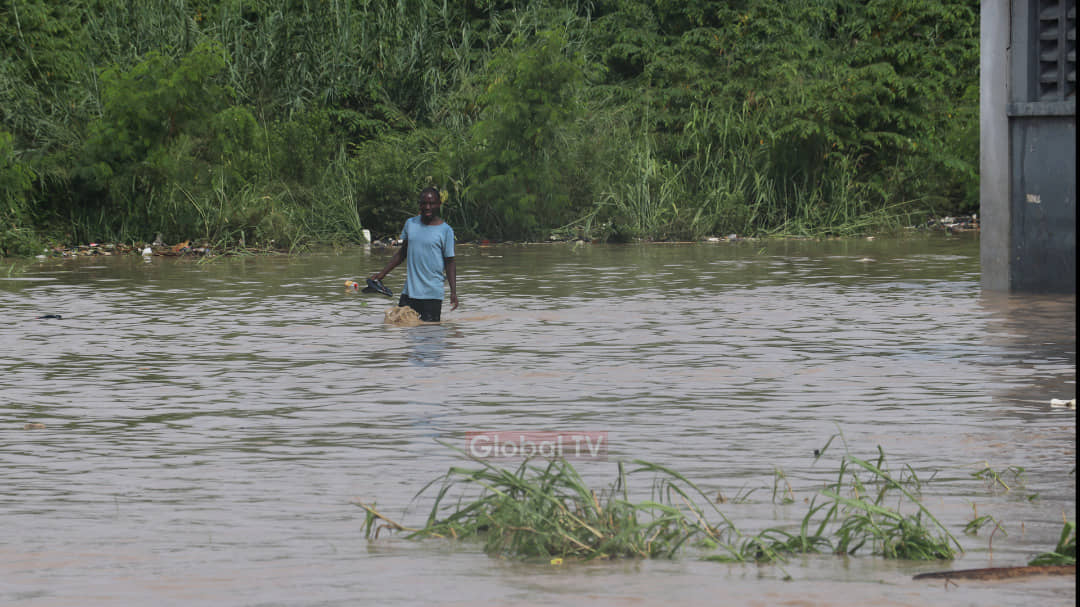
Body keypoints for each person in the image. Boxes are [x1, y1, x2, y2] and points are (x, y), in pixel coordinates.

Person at [370, 187, 458, 322]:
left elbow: (450, 262)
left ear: (439, 204)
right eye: (424, 203)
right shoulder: (411, 224)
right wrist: (382, 274)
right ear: (420, 204)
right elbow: (402, 253)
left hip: (432, 295)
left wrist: (453, 292)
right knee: (399, 328)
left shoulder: (446, 231)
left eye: (431, 203)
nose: (427, 207)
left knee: (430, 335)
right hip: (409, 293)